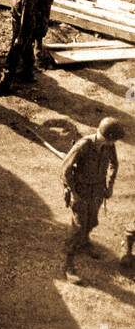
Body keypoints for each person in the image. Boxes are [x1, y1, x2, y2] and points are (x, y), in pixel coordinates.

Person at [61, 117, 124, 283]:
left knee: (92, 220)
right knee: (79, 225)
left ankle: (85, 241)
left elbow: (114, 164)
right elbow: (64, 170)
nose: (113, 143)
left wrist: (109, 186)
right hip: (81, 191)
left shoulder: (110, 146)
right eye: (112, 140)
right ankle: (68, 263)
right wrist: (73, 193)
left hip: (97, 190)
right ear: (106, 136)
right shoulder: (83, 145)